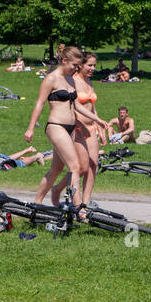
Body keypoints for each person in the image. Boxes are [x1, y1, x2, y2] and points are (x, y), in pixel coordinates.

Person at [25, 45, 103, 207]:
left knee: (56, 170)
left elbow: (78, 106)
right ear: (64, 60)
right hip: (56, 126)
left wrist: (97, 119)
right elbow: (39, 103)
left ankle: (38, 201)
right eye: (75, 65)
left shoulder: (70, 79)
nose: (76, 68)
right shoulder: (51, 78)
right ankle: (77, 207)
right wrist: (31, 128)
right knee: (75, 167)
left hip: (70, 128)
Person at [51, 51, 112, 211]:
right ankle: (58, 189)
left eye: (94, 65)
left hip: (91, 127)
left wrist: (99, 128)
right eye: (89, 65)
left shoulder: (89, 82)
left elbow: (92, 107)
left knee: (93, 166)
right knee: (81, 167)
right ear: (81, 65)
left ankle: (85, 203)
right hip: (78, 128)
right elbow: (72, 108)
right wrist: (81, 126)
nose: (92, 68)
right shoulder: (73, 81)